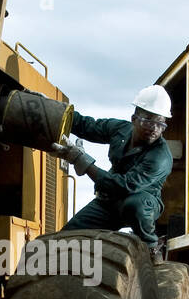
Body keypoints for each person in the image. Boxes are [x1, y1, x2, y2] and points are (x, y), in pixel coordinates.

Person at [49, 85, 174, 252]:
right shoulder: (120, 130)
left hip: (142, 203)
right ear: (134, 118)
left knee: (135, 204)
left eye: (160, 123)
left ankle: (151, 247)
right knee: (63, 242)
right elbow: (86, 125)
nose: (154, 128)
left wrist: (81, 161)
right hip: (109, 201)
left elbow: (124, 186)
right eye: (148, 121)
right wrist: (52, 109)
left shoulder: (160, 156)